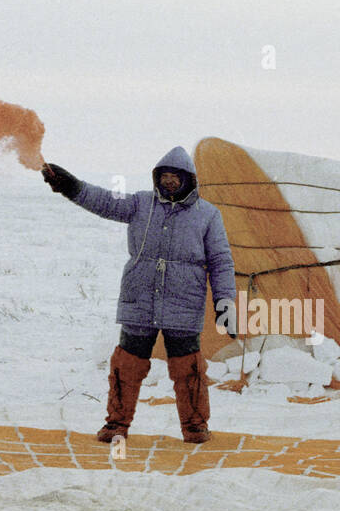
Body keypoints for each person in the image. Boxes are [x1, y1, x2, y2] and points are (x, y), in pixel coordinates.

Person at [41, 147, 235, 443]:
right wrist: (71, 186)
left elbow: (221, 261)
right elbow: (104, 201)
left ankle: (195, 426)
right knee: (126, 366)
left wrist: (225, 302)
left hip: (183, 304)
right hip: (139, 299)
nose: (169, 182)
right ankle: (116, 424)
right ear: (157, 178)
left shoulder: (208, 215)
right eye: (165, 177)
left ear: (188, 180)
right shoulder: (140, 204)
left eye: (175, 178)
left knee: (188, 369)